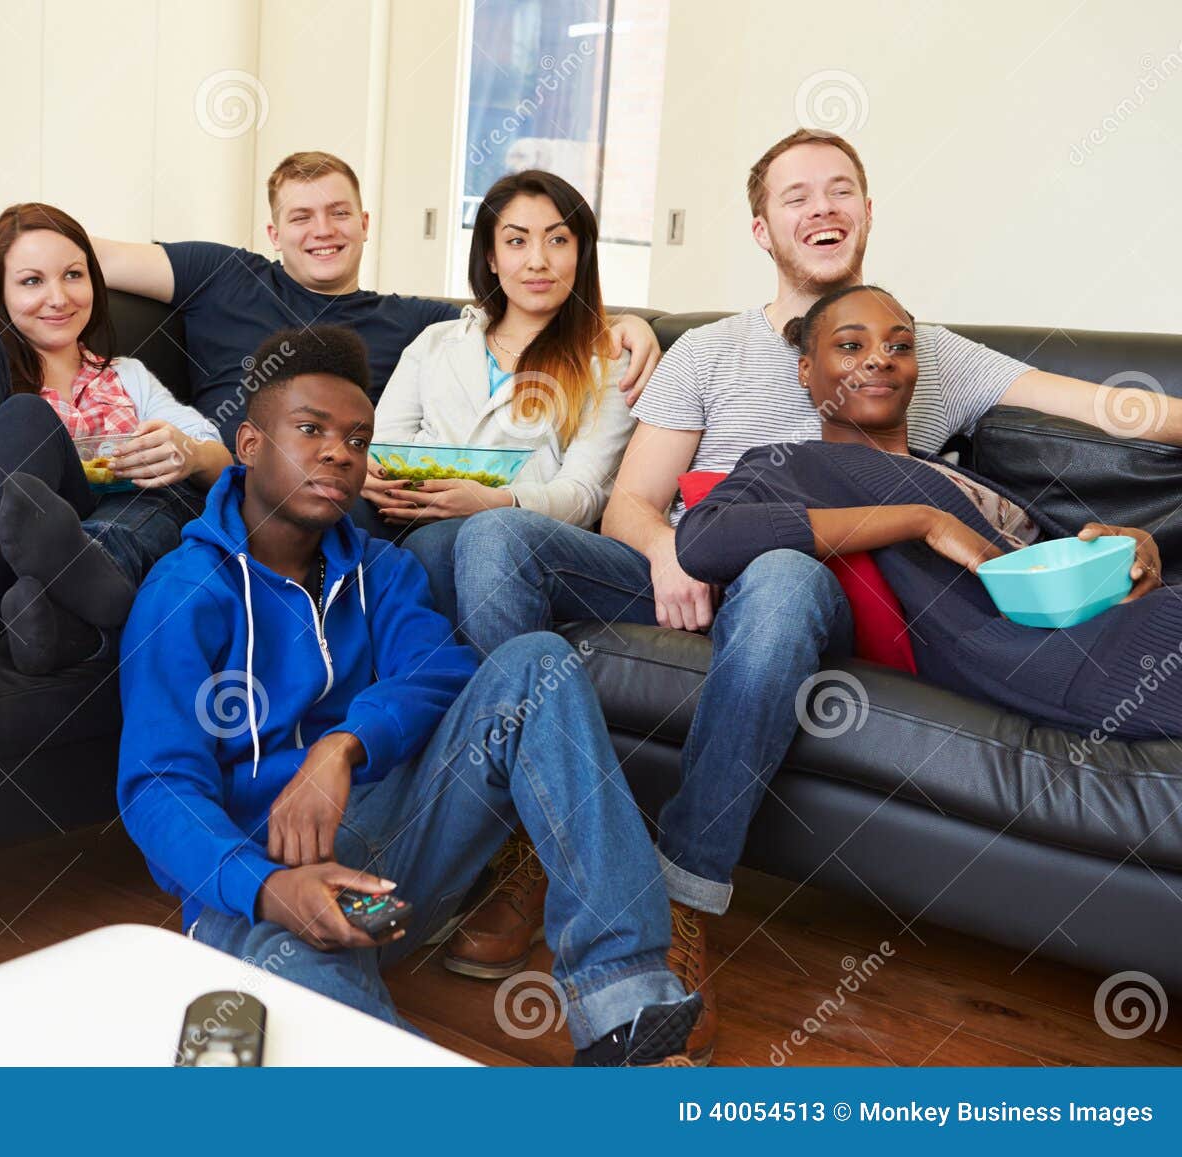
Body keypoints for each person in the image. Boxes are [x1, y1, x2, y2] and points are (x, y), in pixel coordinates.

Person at [444, 123, 1182, 1058]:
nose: (821, 208)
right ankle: (521, 841)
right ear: (762, 229)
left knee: (784, 576)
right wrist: (669, 555)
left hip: (826, 582)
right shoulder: (708, 351)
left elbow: (1112, 407)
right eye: (796, 196)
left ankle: (682, 893)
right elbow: (631, 502)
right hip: (688, 561)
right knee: (495, 537)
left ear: (867, 212)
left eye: (839, 190)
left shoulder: (927, 351)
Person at [115, 326, 702, 1066]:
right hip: (260, 891)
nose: (339, 452)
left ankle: (625, 1012)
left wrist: (343, 745)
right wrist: (270, 888)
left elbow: (444, 672)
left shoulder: (381, 571)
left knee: (536, 663)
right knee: (300, 1004)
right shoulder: (182, 592)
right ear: (250, 445)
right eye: (311, 430)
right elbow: (157, 788)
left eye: (357, 439)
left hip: (386, 862)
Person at [0, 151, 663, 447]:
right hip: (214, 479)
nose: (323, 231)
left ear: (365, 225)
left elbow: (525, 295)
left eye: (339, 213)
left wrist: (626, 322)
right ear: (275, 231)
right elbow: (77, 253)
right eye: (302, 217)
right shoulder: (222, 273)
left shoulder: (412, 321)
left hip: (326, 486)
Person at [679, 283, 1174, 738]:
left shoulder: (943, 468)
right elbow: (705, 538)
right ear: (806, 370)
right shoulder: (800, 465)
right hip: (1048, 657)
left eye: (900, 346)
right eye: (851, 345)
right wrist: (924, 521)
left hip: (1112, 618)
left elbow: (1043, 565)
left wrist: (1123, 556)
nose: (880, 359)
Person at [0, 202, 231, 679]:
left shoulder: (128, 375)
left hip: (41, 576)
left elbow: (222, 463)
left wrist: (189, 454)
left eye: (73, 275)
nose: (57, 298)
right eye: (31, 281)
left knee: (177, 487)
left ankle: (41, 615)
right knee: (21, 409)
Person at [363, 169, 634, 623]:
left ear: (581, 254)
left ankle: (451, 668)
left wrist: (494, 501)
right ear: (490, 257)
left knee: (442, 543)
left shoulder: (607, 361)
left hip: (523, 538)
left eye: (557, 240)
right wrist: (367, 477)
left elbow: (584, 495)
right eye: (516, 241)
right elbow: (381, 446)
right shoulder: (436, 342)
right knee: (338, 511)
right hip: (408, 514)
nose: (537, 261)